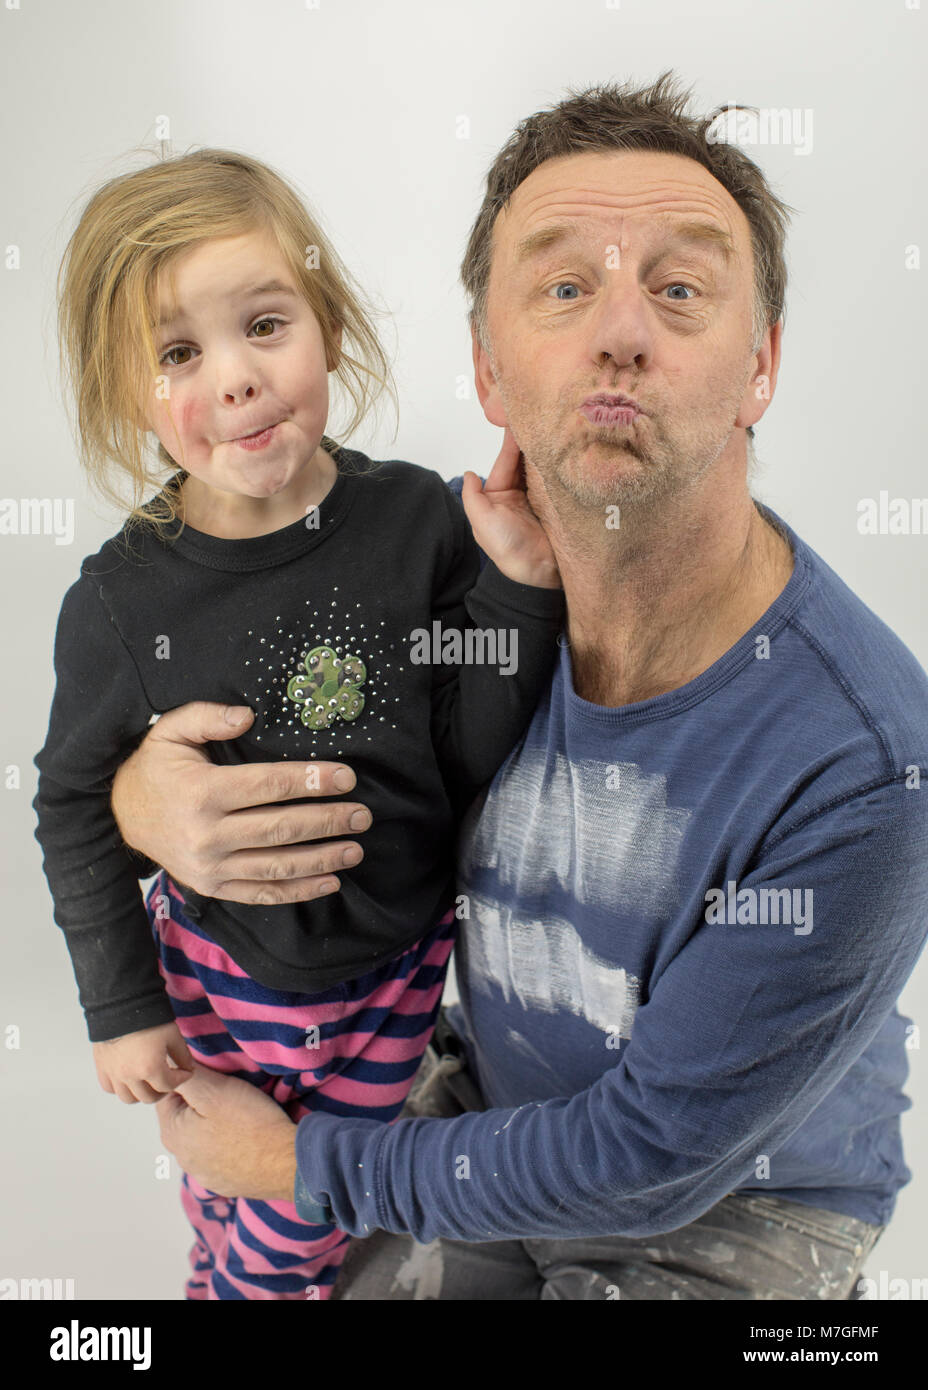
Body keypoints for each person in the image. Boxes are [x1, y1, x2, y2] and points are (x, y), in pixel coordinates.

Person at [114, 73, 928, 1300]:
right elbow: (236, 694)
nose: (619, 330)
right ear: (491, 374)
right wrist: (140, 796)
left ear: (759, 366)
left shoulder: (866, 758)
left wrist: (299, 1163)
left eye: (679, 288)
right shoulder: (437, 593)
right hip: (479, 1106)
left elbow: (648, 1159)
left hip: (734, 1204)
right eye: (564, 286)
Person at [31, 147, 565, 1302]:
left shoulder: (420, 522)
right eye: (179, 353)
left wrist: (517, 588)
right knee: (222, 1188)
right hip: (217, 973)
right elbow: (71, 802)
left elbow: (464, 753)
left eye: (264, 325)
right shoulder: (121, 600)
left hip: (390, 972)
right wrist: (120, 1011)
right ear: (129, 394)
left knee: (295, 1225)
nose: (234, 377)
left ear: (324, 327)